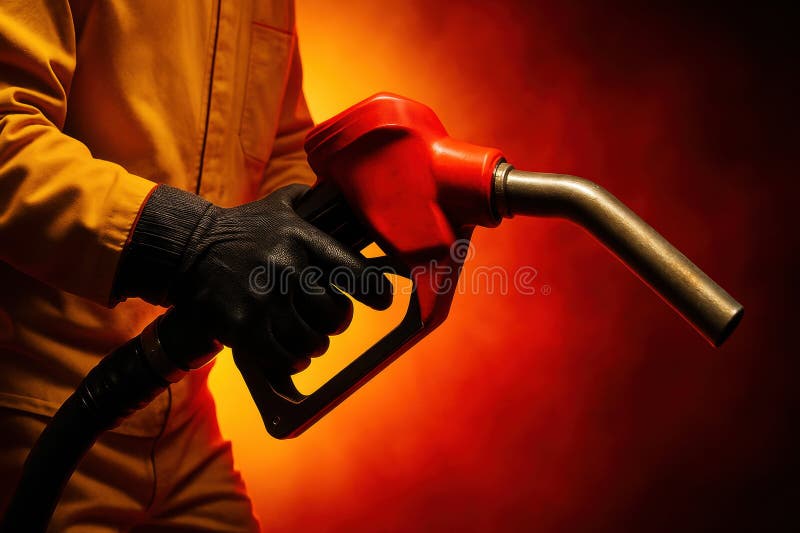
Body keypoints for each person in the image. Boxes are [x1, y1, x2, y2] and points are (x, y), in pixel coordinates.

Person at [0, 1, 390, 530]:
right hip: (35, 411)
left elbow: (281, 146)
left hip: (184, 426)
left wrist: (335, 219)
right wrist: (189, 242)